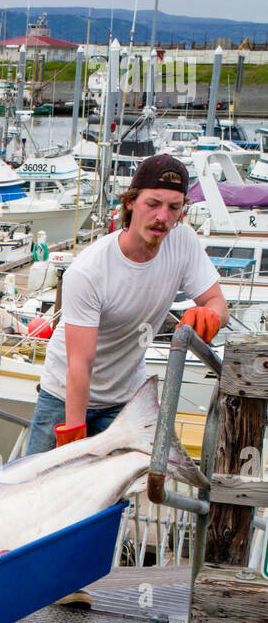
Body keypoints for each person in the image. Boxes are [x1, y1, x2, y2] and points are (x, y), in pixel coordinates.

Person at [27, 153, 228, 455]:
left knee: (111, 496)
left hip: (123, 399)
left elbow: (217, 302)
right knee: (43, 488)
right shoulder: (89, 270)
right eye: (153, 204)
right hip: (64, 395)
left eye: (174, 207)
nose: (163, 216)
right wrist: (74, 437)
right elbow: (80, 365)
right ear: (131, 202)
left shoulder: (183, 243)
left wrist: (209, 316)